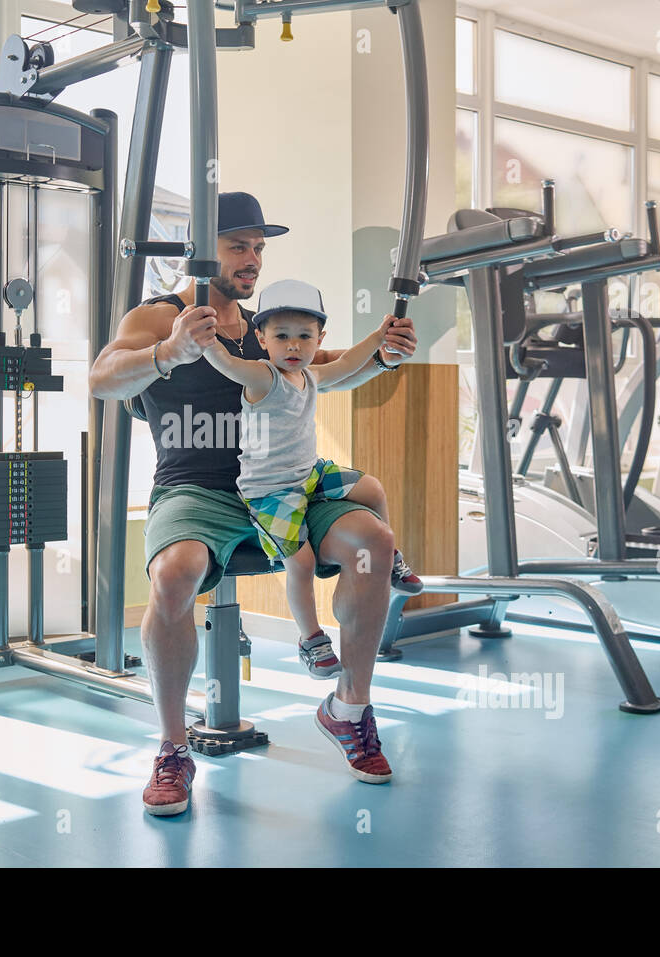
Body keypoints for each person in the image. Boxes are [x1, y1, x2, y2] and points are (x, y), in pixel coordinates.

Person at [87, 192, 418, 816]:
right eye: (238, 246)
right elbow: (102, 379)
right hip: (197, 488)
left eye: (258, 249)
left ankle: (349, 709)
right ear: (199, 250)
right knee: (173, 574)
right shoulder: (160, 316)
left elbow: (327, 370)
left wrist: (384, 356)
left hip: (284, 485)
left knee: (373, 541)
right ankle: (173, 748)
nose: (253, 260)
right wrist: (168, 353)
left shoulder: (264, 327)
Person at [201, 278, 420, 692]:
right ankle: (311, 638)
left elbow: (350, 363)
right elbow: (228, 365)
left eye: (304, 337)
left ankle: (391, 558)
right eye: (281, 336)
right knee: (299, 563)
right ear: (262, 340)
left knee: (372, 489)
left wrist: (379, 336)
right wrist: (206, 340)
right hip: (270, 492)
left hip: (309, 474)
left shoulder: (311, 376)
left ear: (319, 339)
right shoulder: (263, 377)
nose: (293, 346)